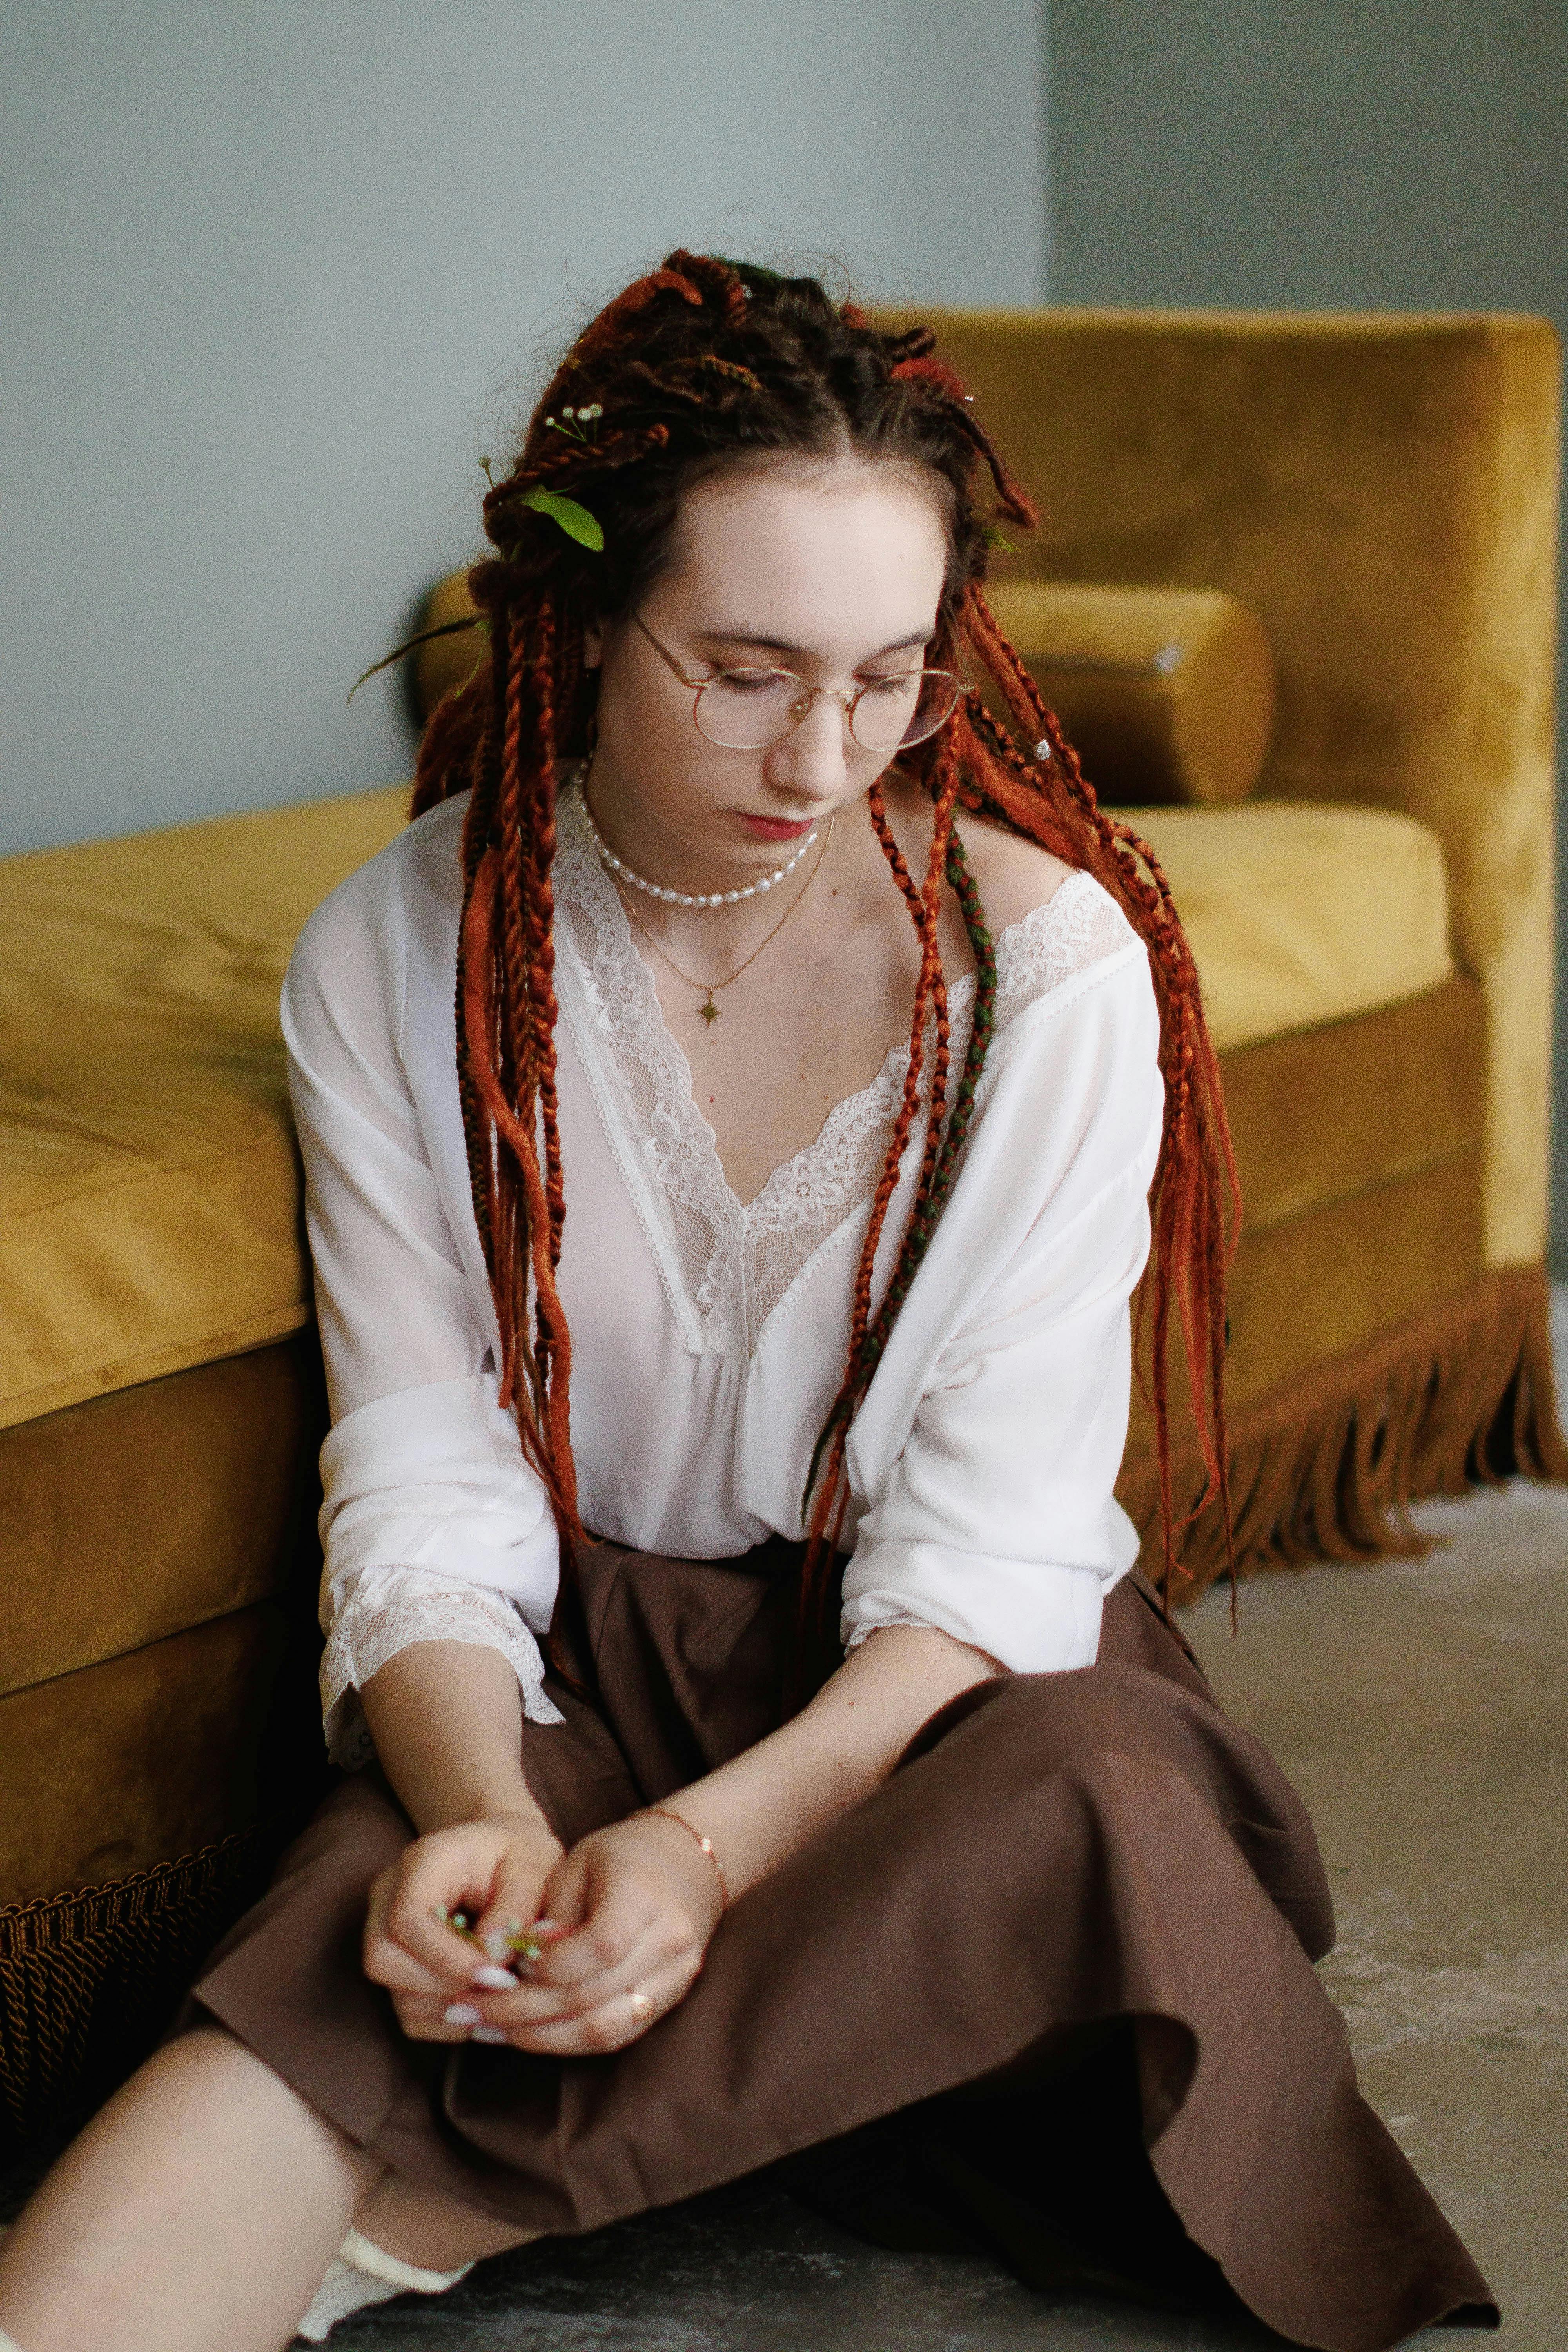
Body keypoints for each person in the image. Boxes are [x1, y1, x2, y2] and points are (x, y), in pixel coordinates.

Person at [0, 252, 1494, 2352]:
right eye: (745, 667)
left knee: (1104, 1812)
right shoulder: (400, 946)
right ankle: (693, 2092)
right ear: (582, 616)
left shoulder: (1048, 975)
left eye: (893, 677)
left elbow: (991, 1555)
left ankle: (419, 2201)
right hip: (553, 1675)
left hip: (926, 1712)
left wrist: (700, 1865)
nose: (825, 751)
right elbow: (424, 1462)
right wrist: (489, 1826)